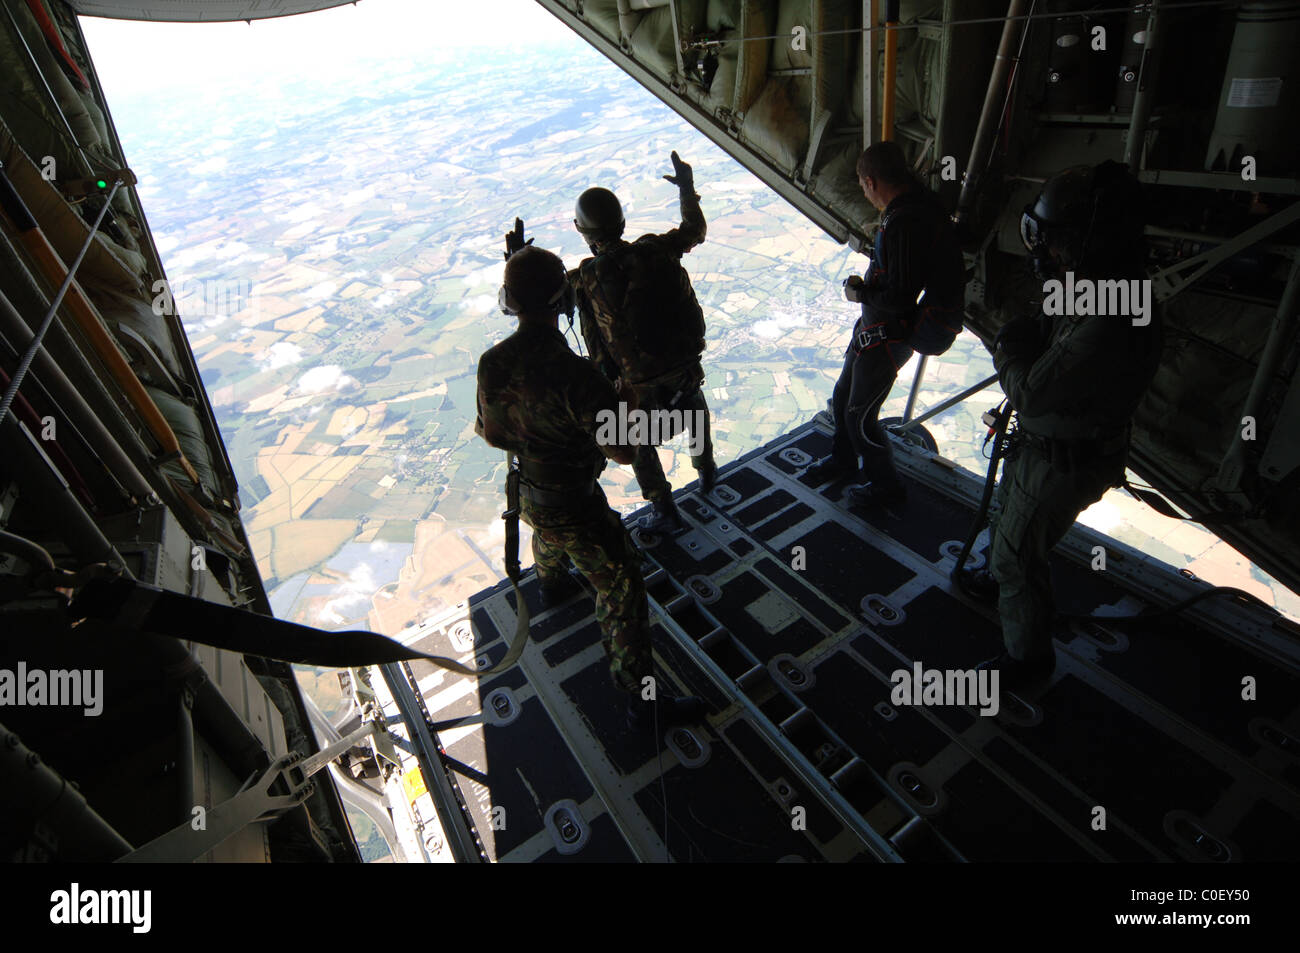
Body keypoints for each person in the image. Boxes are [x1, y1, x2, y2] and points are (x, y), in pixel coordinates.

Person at [475, 243, 703, 727]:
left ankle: (552, 588)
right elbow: (623, 451)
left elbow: (491, 433)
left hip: (526, 497)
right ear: (563, 301)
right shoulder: (578, 376)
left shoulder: (490, 363)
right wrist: (624, 403)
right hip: (576, 508)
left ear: (509, 303)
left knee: (548, 539)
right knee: (623, 587)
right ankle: (641, 702)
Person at [960, 161, 1163, 688]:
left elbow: (1030, 391)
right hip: (1044, 446)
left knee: (1016, 557)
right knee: (1007, 522)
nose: (1045, 252)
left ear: (1087, 245)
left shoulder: (1113, 315)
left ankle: (1027, 664)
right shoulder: (1102, 288)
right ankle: (1001, 580)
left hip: (1064, 460)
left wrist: (1007, 350)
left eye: (1055, 241)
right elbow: (1048, 327)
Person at [805, 141, 965, 507]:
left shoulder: (905, 222)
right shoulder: (914, 207)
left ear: (871, 182)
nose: (865, 193)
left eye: (863, 186)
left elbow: (900, 298)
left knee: (860, 417)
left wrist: (859, 294)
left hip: (890, 335)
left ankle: (886, 488)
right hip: (876, 329)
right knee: (843, 398)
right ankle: (844, 461)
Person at [570, 151, 716, 533]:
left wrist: (518, 257)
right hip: (685, 367)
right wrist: (686, 187)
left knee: (630, 432)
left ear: (583, 233)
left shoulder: (586, 277)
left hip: (638, 384)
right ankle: (707, 470)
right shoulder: (656, 248)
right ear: (622, 223)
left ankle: (664, 507)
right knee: (693, 402)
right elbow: (695, 229)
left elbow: (543, 294)